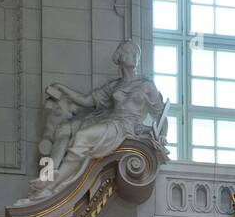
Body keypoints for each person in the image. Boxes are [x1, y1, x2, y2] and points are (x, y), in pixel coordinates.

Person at [26, 38, 165, 200]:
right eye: (130, 52)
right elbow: (86, 100)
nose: (135, 56)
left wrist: (161, 134)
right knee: (66, 130)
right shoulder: (114, 86)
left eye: (137, 53)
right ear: (121, 57)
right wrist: (63, 89)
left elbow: (161, 113)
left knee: (81, 137)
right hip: (112, 122)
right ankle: (49, 176)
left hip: (126, 128)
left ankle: (52, 182)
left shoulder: (147, 85)